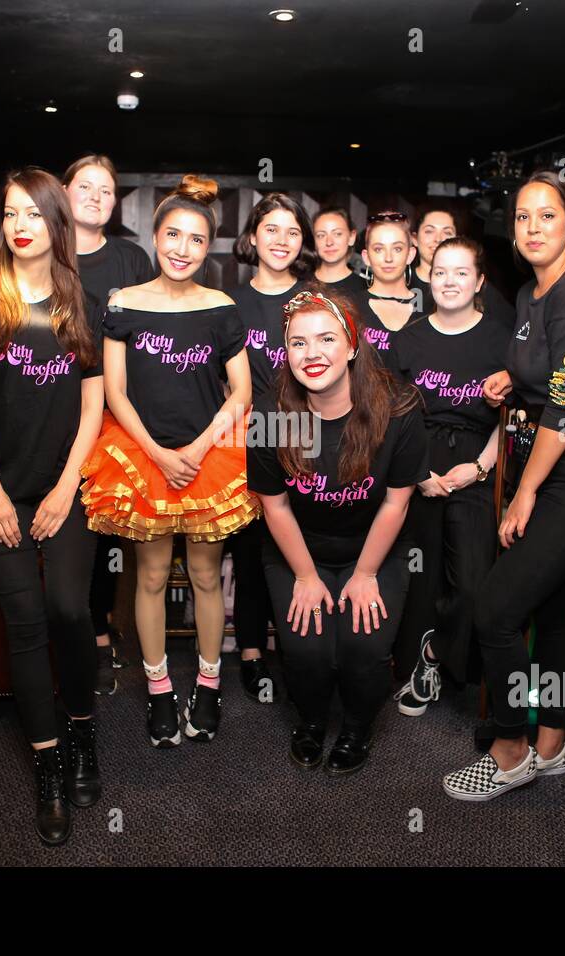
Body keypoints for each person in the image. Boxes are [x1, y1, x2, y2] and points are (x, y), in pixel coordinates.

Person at [441, 169, 565, 802]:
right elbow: (543, 371)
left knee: (495, 609)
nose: (532, 228)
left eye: (547, 215)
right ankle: (551, 744)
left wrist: (522, 492)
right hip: (552, 465)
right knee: (552, 612)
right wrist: (509, 376)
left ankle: (510, 746)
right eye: (522, 217)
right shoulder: (531, 293)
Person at [0, 166, 104, 846]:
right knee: (28, 619)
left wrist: (66, 486)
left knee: (71, 608)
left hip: (65, 483)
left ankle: (85, 730)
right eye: (9, 213)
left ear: (55, 223)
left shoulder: (79, 299)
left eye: (33, 212)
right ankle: (49, 763)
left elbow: (94, 402)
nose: (19, 224)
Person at [80, 174, 260, 747]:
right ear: (155, 238)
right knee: (152, 575)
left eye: (197, 240)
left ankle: (208, 685)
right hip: (141, 454)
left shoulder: (222, 307)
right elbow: (114, 392)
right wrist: (159, 453)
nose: (183, 249)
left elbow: (242, 393)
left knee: (207, 576)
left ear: (210, 247)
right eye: (173, 236)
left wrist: (199, 448)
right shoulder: (124, 304)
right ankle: (158, 690)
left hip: (210, 454)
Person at [248, 285, 428, 775]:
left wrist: (367, 573)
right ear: (285, 352)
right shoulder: (269, 415)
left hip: (375, 549)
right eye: (299, 343)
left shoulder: (399, 409)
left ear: (352, 346)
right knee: (306, 649)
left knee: (362, 647)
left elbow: (396, 500)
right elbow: (275, 505)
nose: (312, 354)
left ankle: (356, 726)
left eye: (326, 339)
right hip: (298, 550)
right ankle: (309, 721)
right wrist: (305, 577)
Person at [389, 237, 514, 712]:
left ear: (479, 281)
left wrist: (480, 467)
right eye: (440, 271)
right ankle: (421, 672)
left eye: (462, 272)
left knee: (471, 582)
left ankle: (436, 650)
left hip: (477, 465)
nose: (450, 281)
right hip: (417, 463)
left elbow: (512, 421)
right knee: (419, 577)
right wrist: (418, 472)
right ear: (427, 277)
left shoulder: (502, 340)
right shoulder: (409, 340)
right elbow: (393, 418)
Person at [62, 153, 158, 695]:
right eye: (86, 187)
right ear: (65, 192)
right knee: (66, 521)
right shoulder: (43, 255)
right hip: (58, 406)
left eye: (107, 190)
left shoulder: (130, 257)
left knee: (106, 524)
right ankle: (73, 629)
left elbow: (155, 329)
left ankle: (101, 631)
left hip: (118, 411)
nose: (98, 197)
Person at [227, 192, 317, 702]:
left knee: (299, 548)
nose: (281, 240)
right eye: (272, 229)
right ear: (253, 236)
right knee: (250, 551)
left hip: (307, 437)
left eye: (292, 232)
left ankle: (300, 646)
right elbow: (218, 376)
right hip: (247, 440)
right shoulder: (231, 304)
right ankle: (251, 653)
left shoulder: (315, 298)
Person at [358, 211, 425, 369]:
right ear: (366, 257)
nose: (388, 258)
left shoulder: (429, 309)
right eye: (379, 249)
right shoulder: (351, 308)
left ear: (410, 254)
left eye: (397, 249)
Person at [313, 205, 367, 304]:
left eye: (337, 234)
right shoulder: (299, 285)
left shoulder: (366, 289)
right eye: (321, 235)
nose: (329, 242)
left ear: (351, 237)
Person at [407, 206, 457, 308]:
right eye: (429, 231)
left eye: (447, 232)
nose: (438, 239)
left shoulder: (471, 286)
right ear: (415, 239)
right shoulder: (398, 283)